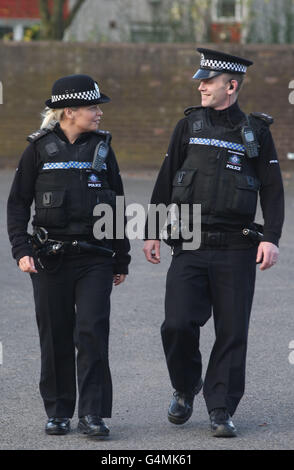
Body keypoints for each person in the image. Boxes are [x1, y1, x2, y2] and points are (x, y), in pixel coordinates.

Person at [143, 48, 284, 437]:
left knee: (232, 330)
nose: (201, 85)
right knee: (177, 324)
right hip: (189, 242)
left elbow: (272, 190)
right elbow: (165, 179)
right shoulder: (188, 127)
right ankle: (186, 386)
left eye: (209, 80)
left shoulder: (256, 132)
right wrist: (153, 230)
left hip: (237, 248)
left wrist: (271, 238)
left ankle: (220, 408)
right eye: (201, 80)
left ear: (232, 85)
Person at [7, 74, 131, 437]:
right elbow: (17, 204)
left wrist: (120, 258)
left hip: (95, 258)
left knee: (92, 332)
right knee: (55, 334)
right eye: (93, 107)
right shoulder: (38, 149)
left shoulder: (103, 150)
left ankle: (93, 413)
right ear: (69, 111)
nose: (99, 114)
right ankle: (59, 410)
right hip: (49, 258)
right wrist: (21, 248)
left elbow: (118, 207)